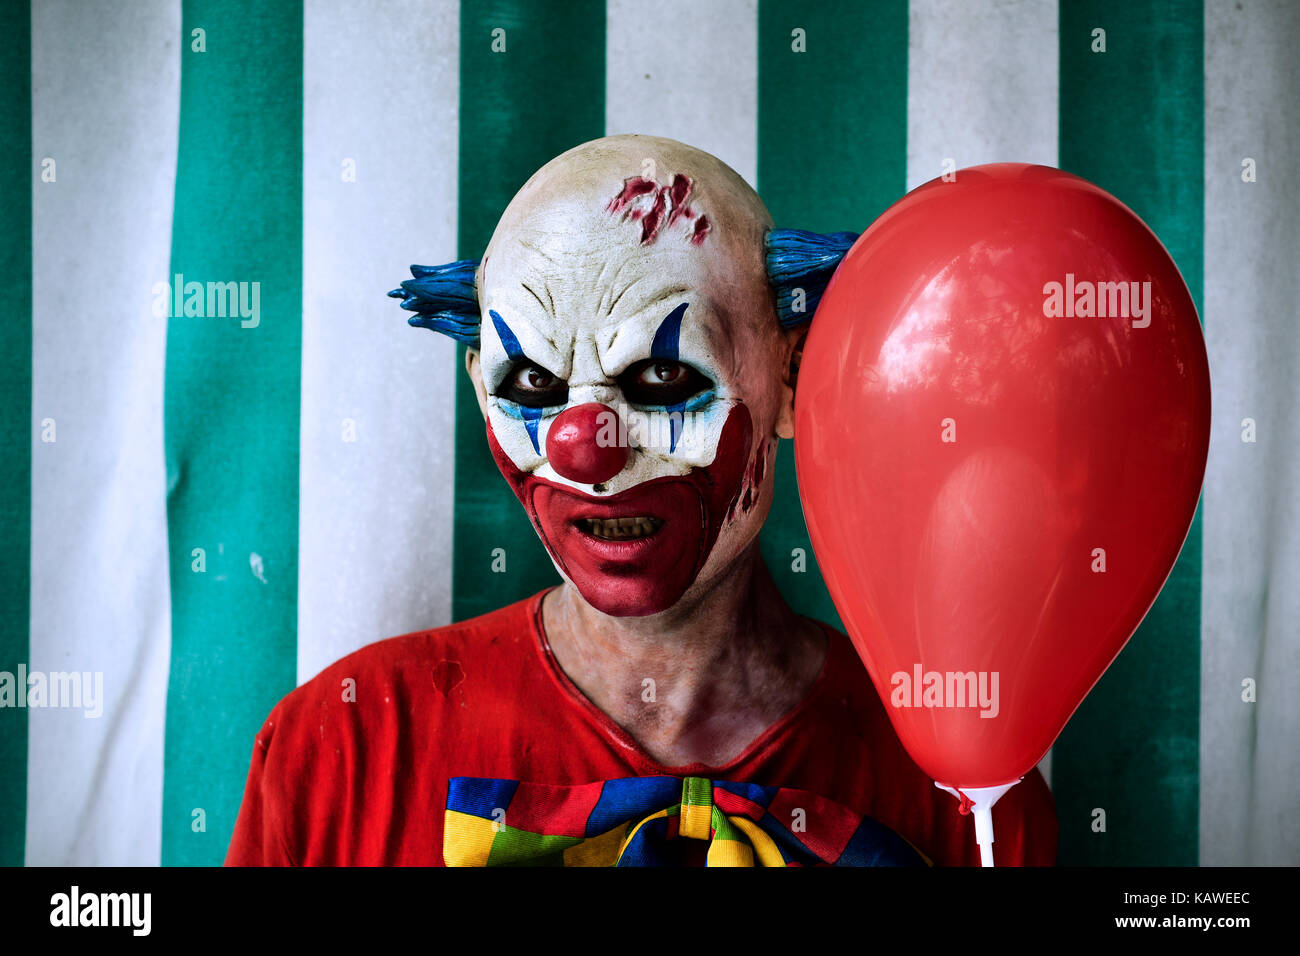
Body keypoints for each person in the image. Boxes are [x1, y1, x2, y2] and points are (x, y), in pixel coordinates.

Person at [226, 135, 1057, 866]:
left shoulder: (963, 785)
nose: (584, 449)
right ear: (480, 389)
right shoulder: (338, 747)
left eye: (662, 377)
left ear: (794, 377)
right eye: (532, 384)